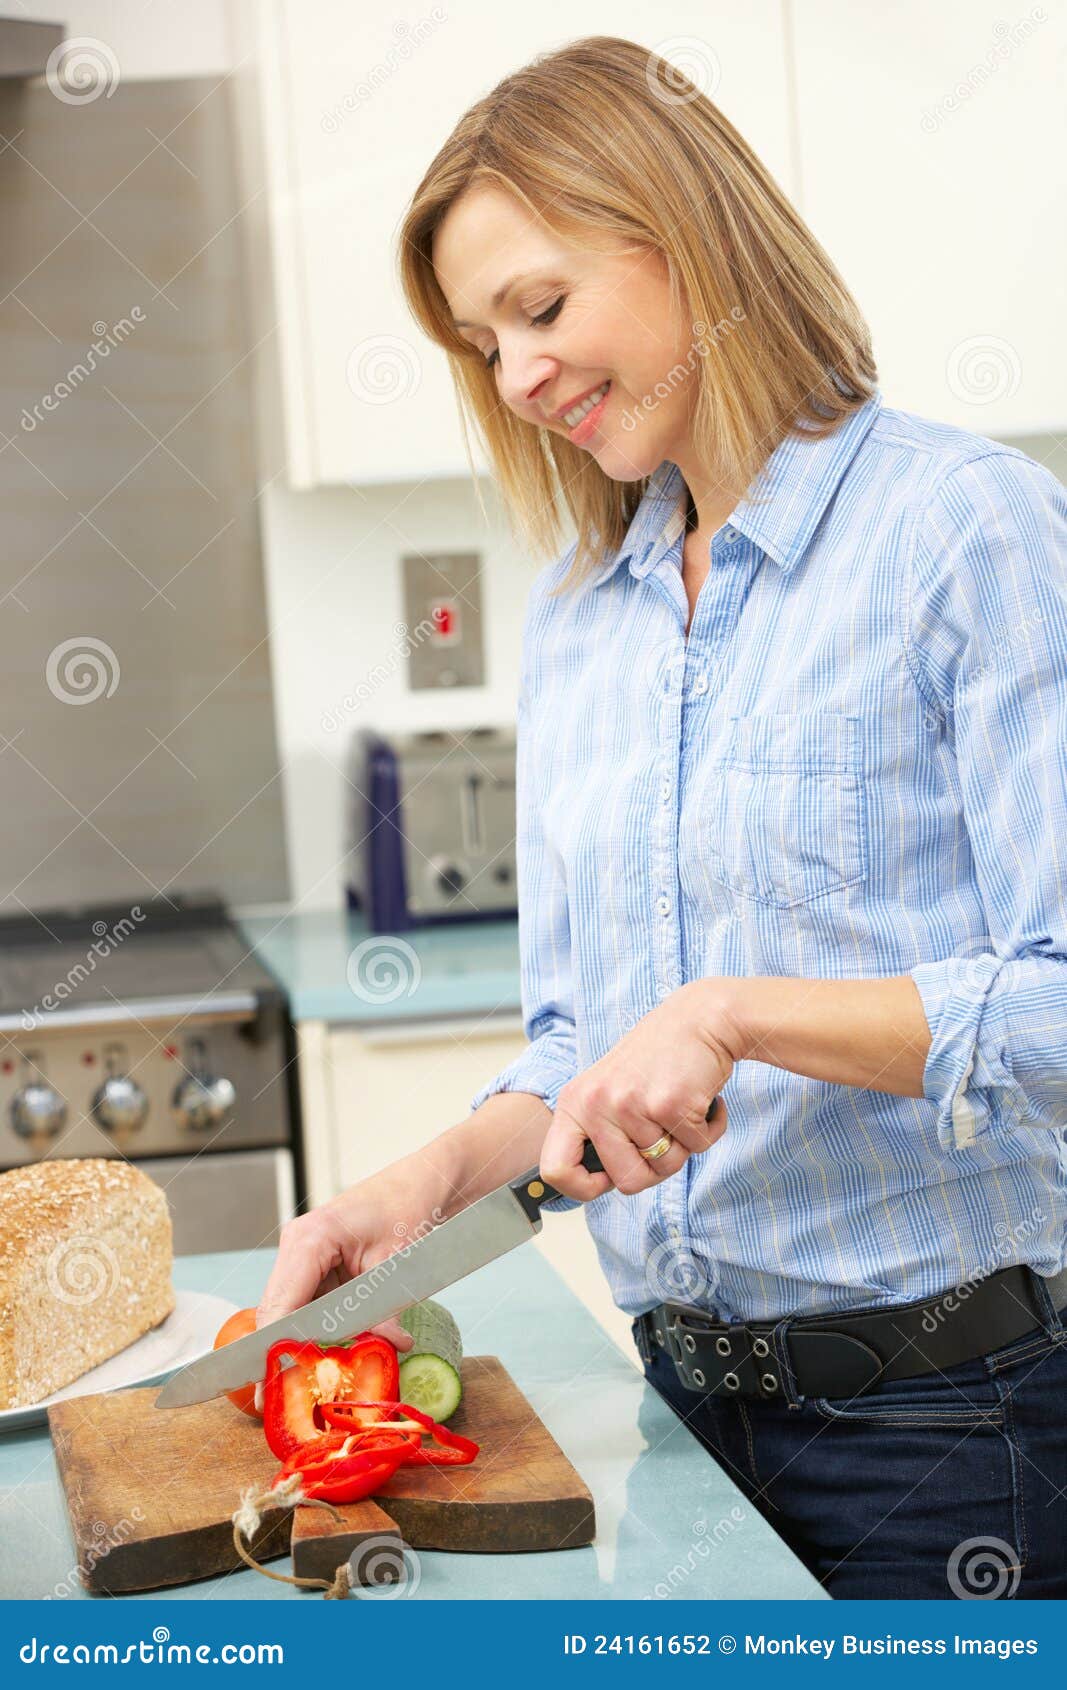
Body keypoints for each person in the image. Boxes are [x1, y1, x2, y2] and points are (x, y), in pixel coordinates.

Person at [258, 36, 1067, 1598]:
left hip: (956, 1435)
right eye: (485, 341)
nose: (519, 376)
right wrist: (412, 1190)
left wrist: (736, 1015)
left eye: (543, 307)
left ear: (686, 232)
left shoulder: (967, 533)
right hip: (682, 1424)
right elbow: (585, 1045)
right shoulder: (587, 610)